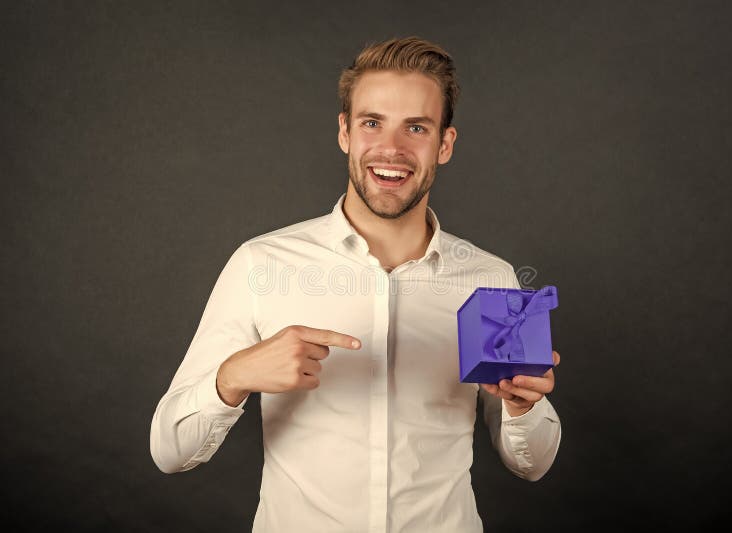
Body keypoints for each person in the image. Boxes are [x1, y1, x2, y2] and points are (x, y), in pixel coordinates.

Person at [150, 36, 561, 533]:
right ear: (345, 132)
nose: (392, 149)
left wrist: (523, 406)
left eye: (416, 127)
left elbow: (532, 464)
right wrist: (232, 377)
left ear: (444, 144)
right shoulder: (261, 263)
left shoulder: (490, 279)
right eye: (372, 123)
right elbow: (169, 452)